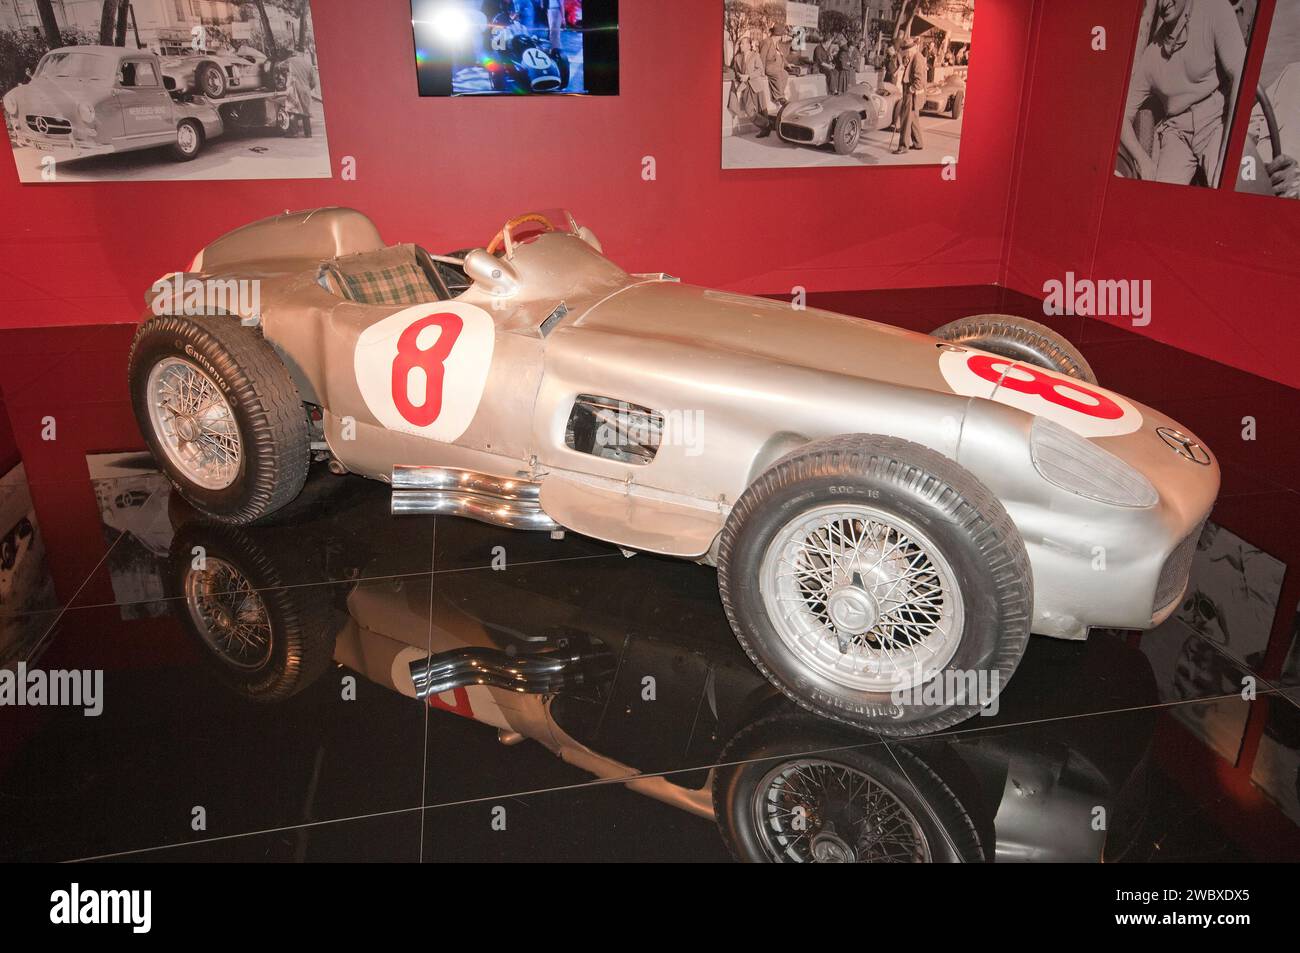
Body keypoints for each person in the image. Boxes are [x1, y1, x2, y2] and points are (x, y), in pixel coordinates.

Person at [1119, 0, 1245, 186]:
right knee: (1159, 199)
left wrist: (1227, 154)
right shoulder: (1152, 55)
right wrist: (1143, 160)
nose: (1165, 2)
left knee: (1228, 183)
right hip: (1177, 133)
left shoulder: (1214, 9)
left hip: (1217, 120)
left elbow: (1240, 74)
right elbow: (1121, 116)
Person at [895, 37, 925, 154]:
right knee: (913, 119)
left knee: (906, 120)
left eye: (906, 50)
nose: (905, 52)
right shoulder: (914, 57)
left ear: (911, 48)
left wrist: (911, 89)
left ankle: (903, 146)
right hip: (911, 93)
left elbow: (919, 80)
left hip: (911, 93)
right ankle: (918, 143)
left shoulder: (917, 58)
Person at [285, 52, 316, 138]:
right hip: (306, 90)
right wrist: (308, 88)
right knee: (306, 111)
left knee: (293, 110)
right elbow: (314, 82)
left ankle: (294, 133)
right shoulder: (308, 64)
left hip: (293, 89)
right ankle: (308, 133)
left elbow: (278, 67)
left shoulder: (289, 61)